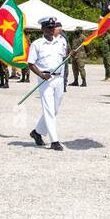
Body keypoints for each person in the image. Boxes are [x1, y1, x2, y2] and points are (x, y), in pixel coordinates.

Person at [27, 17, 68, 150]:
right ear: (42, 29)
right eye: (48, 28)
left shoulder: (60, 42)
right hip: (45, 79)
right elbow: (30, 63)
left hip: (59, 79)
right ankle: (54, 141)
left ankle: (37, 132)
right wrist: (41, 75)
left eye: (53, 27)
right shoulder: (37, 44)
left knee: (54, 110)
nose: (51, 30)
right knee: (49, 110)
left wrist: (70, 54)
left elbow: (63, 56)